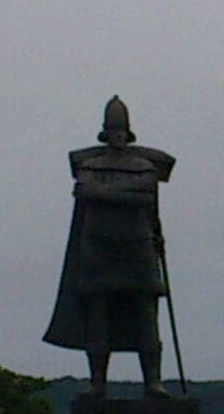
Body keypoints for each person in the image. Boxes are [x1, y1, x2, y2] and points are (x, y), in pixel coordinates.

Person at [43, 96, 175, 397]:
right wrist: (117, 192)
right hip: (98, 250)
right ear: (105, 132)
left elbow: (144, 197)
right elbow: (83, 191)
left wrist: (103, 192)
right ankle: (97, 382)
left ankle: (153, 381)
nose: (117, 136)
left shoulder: (143, 166)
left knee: (146, 314)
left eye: (120, 130)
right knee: (98, 316)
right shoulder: (90, 165)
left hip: (138, 248)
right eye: (112, 130)